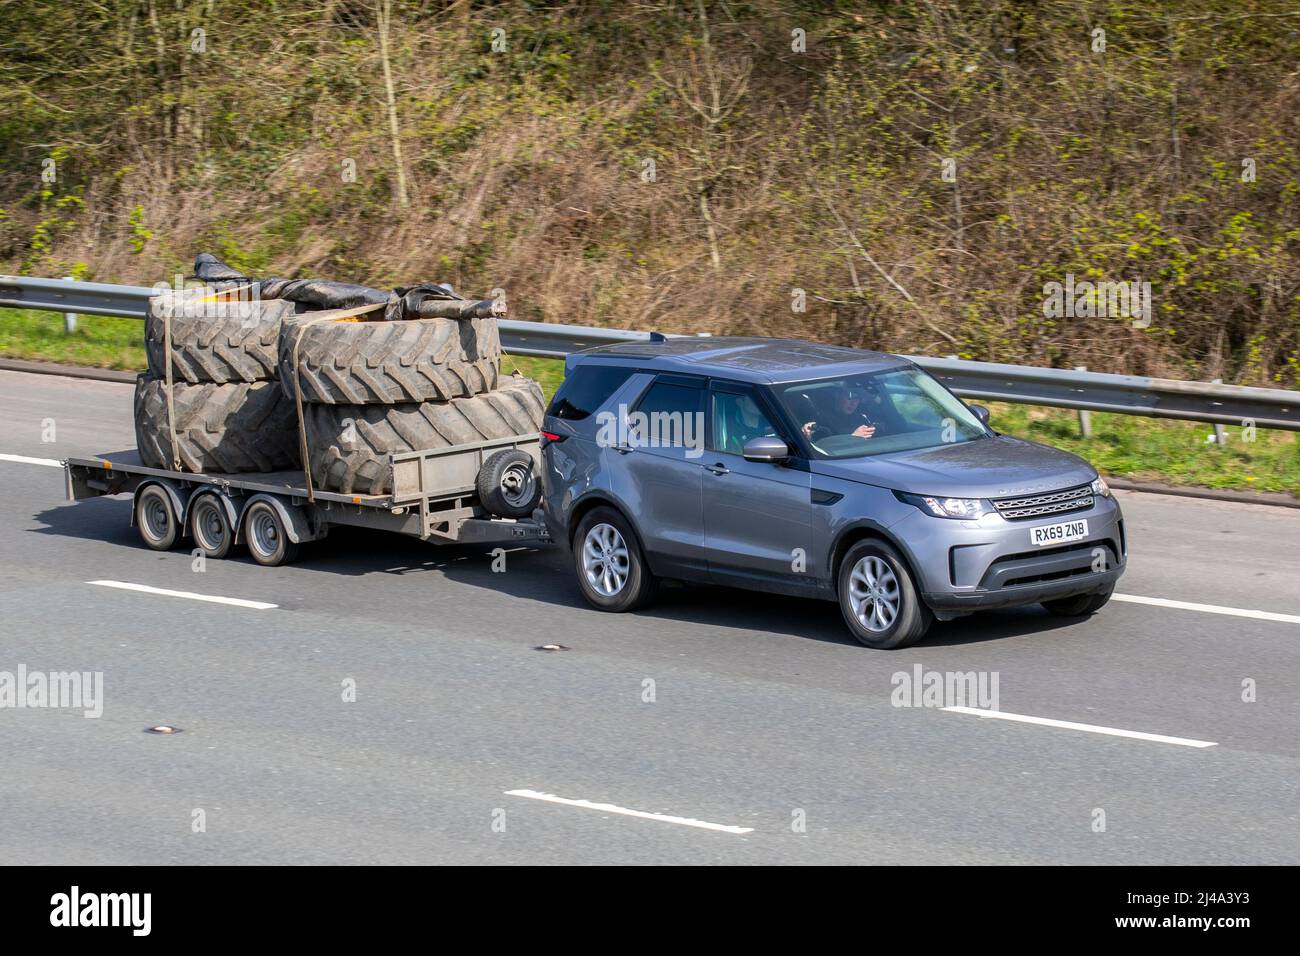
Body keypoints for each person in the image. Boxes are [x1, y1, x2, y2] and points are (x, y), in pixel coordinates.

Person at [801, 385, 877, 443]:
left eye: (857, 399)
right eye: (850, 397)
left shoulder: (862, 418)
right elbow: (825, 448)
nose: (853, 403)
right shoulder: (821, 420)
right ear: (837, 395)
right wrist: (853, 438)